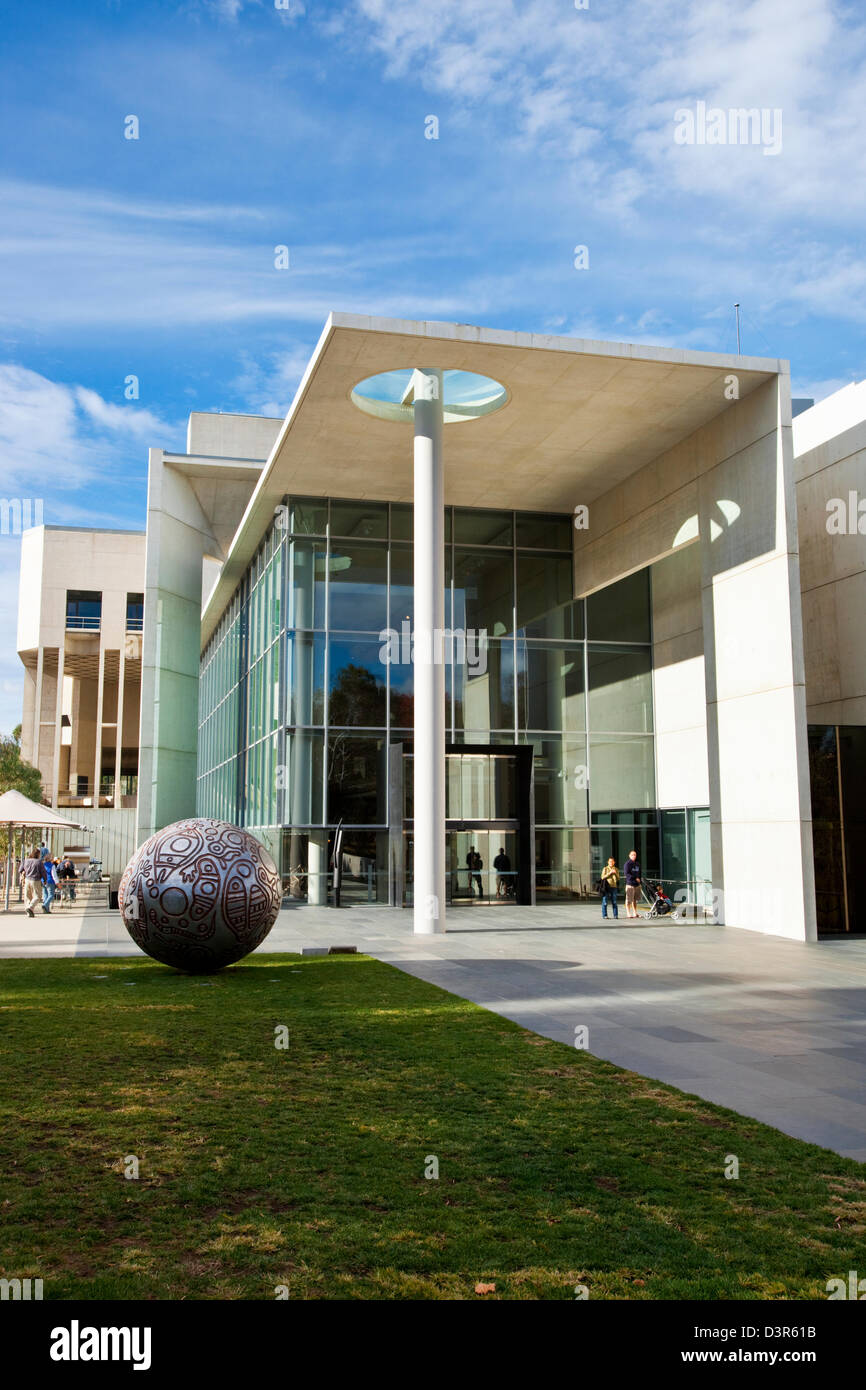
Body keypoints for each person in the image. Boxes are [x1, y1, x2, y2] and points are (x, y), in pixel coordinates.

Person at [20, 847, 47, 917]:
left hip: (27, 879)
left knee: (28, 896)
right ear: (37, 854)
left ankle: (29, 912)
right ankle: (31, 907)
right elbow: (43, 872)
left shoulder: (26, 860)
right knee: (38, 896)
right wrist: (45, 880)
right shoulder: (39, 862)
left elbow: (20, 870)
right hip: (35, 880)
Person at [623, 849, 642, 919]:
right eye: (632, 855)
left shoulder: (637, 864)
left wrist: (639, 880)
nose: (634, 856)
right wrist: (635, 878)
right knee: (628, 899)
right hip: (630, 884)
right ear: (629, 856)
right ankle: (628, 913)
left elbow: (639, 873)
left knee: (635, 900)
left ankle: (635, 912)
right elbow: (626, 874)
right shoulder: (627, 864)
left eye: (635, 855)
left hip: (637, 884)